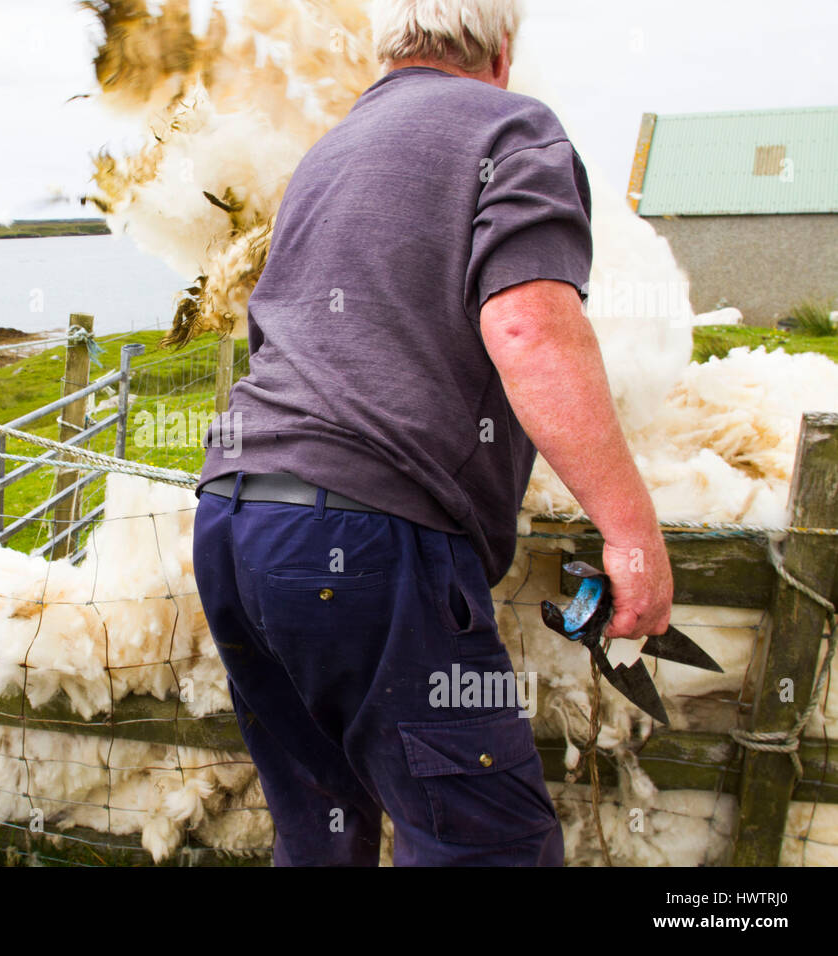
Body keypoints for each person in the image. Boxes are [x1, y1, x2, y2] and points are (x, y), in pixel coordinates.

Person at [192, 0, 673, 866]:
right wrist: (632, 534)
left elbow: (278, 335)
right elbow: (528, 328)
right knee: (483, 846)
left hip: (233, 518)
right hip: (365, 533)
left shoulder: (328, 152)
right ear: (504, 47)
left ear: (393, 46)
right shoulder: (514, 127)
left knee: (321, 832)